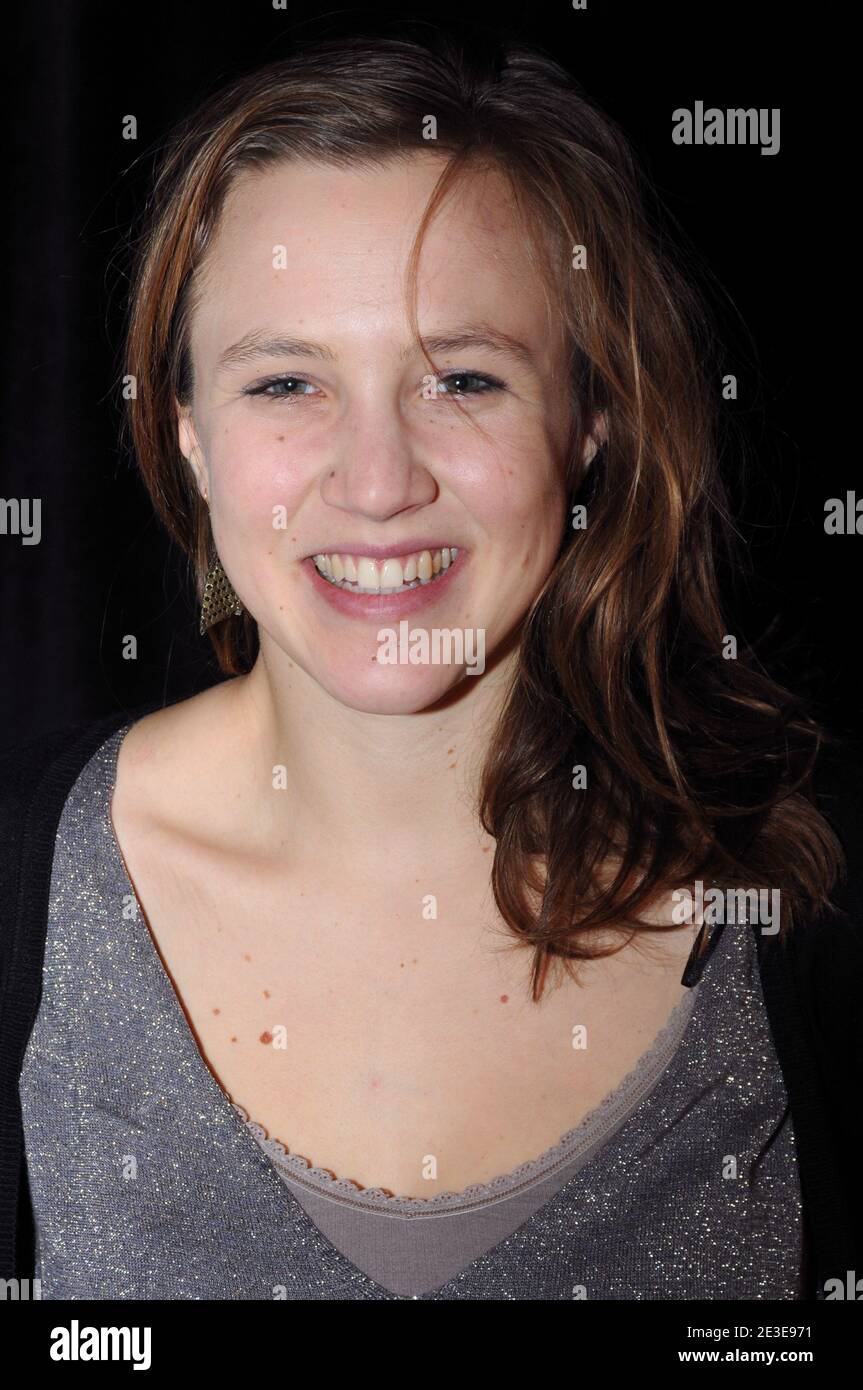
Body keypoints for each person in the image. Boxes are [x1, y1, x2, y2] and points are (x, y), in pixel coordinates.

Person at [1, 28, 860, 1302]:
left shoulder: (807, 903)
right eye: (286, 381)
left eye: (461, 377)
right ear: (182, 434)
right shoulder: (27, 883)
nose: (377, 480)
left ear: (590, 422)